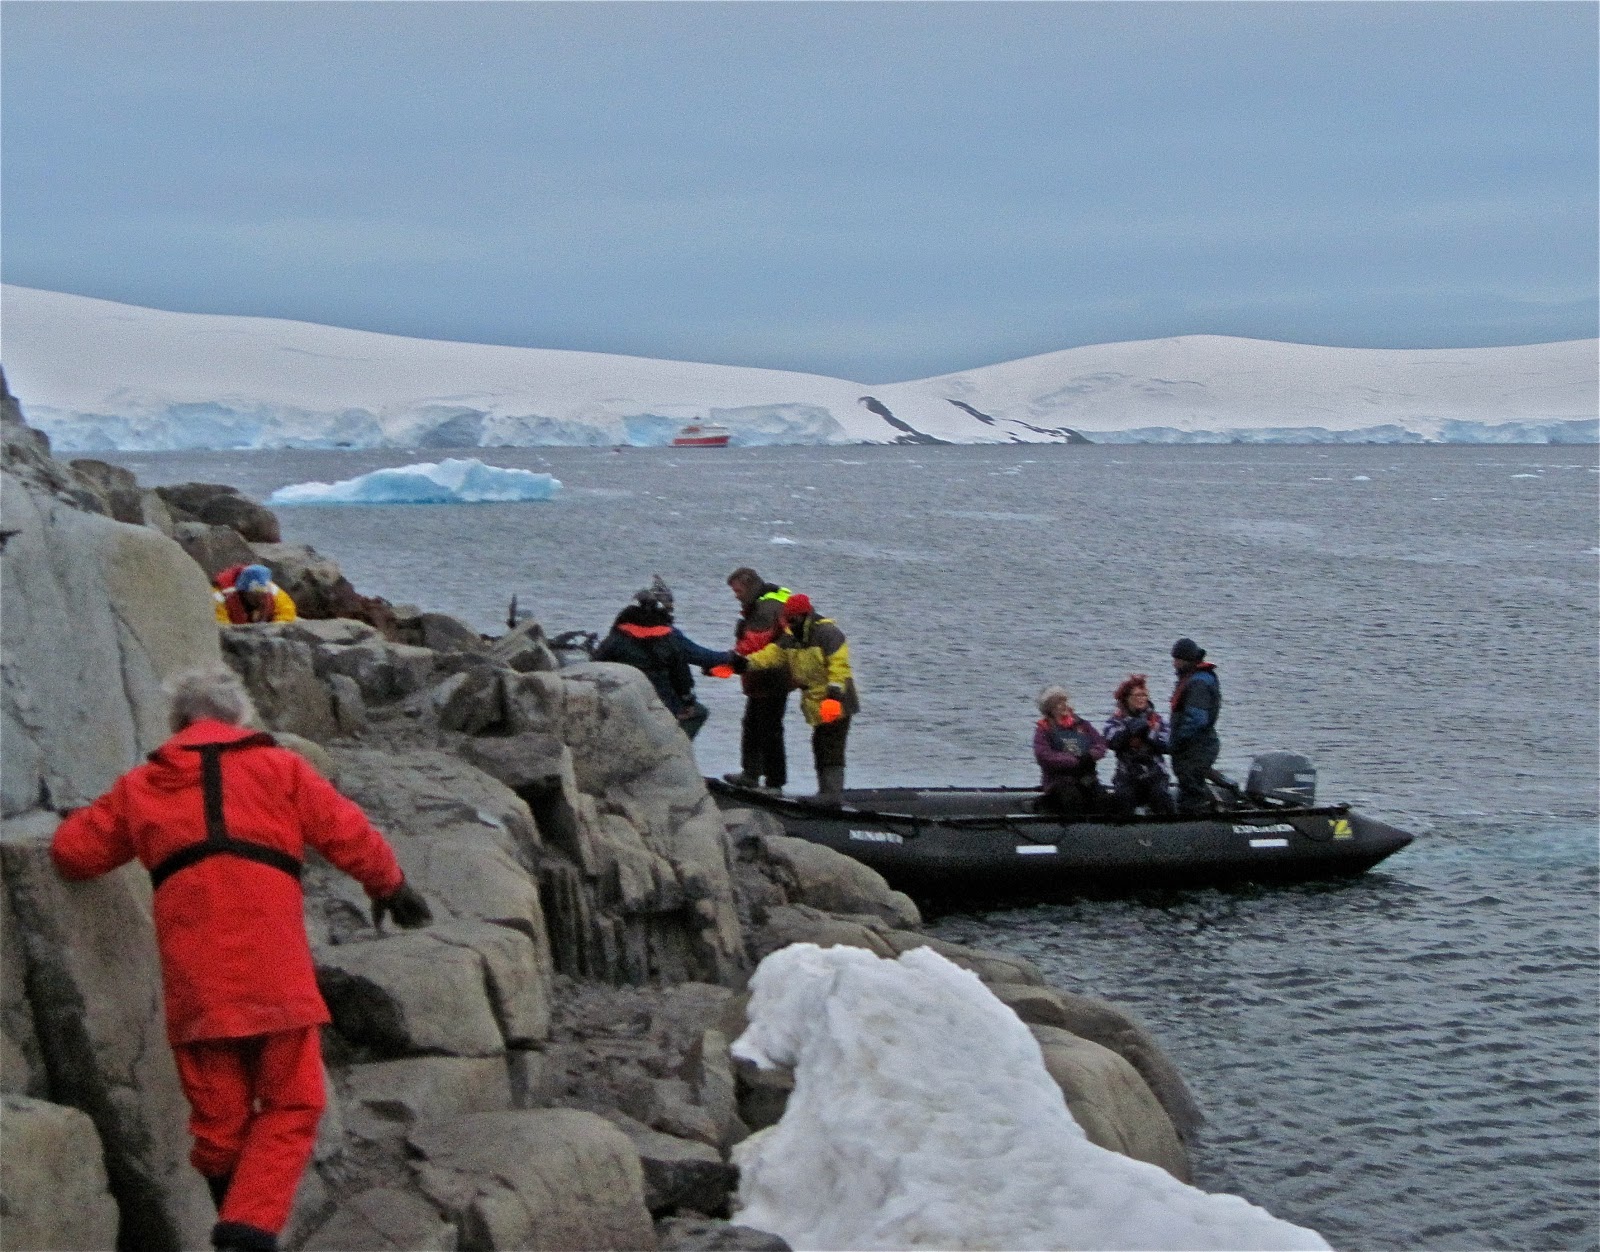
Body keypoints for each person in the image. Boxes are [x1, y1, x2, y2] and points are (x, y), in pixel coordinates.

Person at [49, 667, 431, 1252]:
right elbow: (347, 831)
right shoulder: (281, 768)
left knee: (219, 1122)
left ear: (178, 723)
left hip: (197, 984)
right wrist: (392, 886)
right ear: (239, 719)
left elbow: (73, 853)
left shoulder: (142, 785)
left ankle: (236, 1226)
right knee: (294, 1102)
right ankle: (247, 1233)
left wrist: (74, 816)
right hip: (275, 972)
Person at [734, 593, 859, 803]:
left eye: (791, 620)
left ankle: (831, 794)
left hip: (837, 700)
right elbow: (772, 654)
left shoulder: (828, 634)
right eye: (787, 620)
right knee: (820, 744)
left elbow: (839, 667)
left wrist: (833, 696)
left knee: (830, 745)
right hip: (816, 700)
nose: (789, 625)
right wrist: (746, 663)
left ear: (803, 616)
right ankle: (827, 793)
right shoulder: (792, 636)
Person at [593, 578, 738, 741]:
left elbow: (597, 663)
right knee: (699, 713)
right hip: (664, 701)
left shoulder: (618, 635)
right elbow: (695, 661)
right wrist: (730, 657)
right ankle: (675, 747)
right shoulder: (669, 636)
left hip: (624, 698)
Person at [723, 567, 796, 790]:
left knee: (770, 729)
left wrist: (726, 661)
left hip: (773, 676)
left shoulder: (765, 608)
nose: (736, 596)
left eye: (738, 591)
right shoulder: (767, 601)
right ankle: (751, 773)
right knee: (753, 725)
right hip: (765, 675)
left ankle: (774, 782)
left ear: (749, 586)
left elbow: (753, 644)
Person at [1102, 674, 1175, 816]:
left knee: (1161, 796)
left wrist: (1150, 734)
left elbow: (1168, 745)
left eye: (1144, 695)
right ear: (1127, 698)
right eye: (1137, 695)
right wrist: (1130, 730)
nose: (1141, 699)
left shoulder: (1158, 720)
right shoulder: (1116, 721)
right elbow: (1111, 741)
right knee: (1123, 798)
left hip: (1155, 773)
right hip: (1127, 774)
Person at [1032, 686, 1108, 816]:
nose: (1064, 706)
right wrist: (1073, 760)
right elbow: (1043, 755)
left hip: (1086, 778)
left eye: (1065, 701)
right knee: (1072, 798)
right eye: (1058, 703)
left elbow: (1100, 743)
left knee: (1102, 800)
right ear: (1050, 709)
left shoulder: (1082, 725)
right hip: (1059, 781)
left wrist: (1091, 755)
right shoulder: (1044, 729)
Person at [1168, 637, 1222, 815]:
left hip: (1198, 745)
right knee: (1187, 781)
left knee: (1191, 782)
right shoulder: (1193, 678)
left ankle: (1196, 815)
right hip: (1194, 745)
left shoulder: (1198, 682)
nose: (1174, 664)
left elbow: (1197, 719)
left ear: (1186, 660)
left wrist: (1177, 740)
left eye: (1177, 660)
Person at [213, 563, 297, 625]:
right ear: (243, 591)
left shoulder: (273, 592)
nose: (260, 599)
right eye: (255, 595)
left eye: (262, 594)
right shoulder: (221, 595)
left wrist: (276, 629)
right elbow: (219, 625)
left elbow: (287, 612)